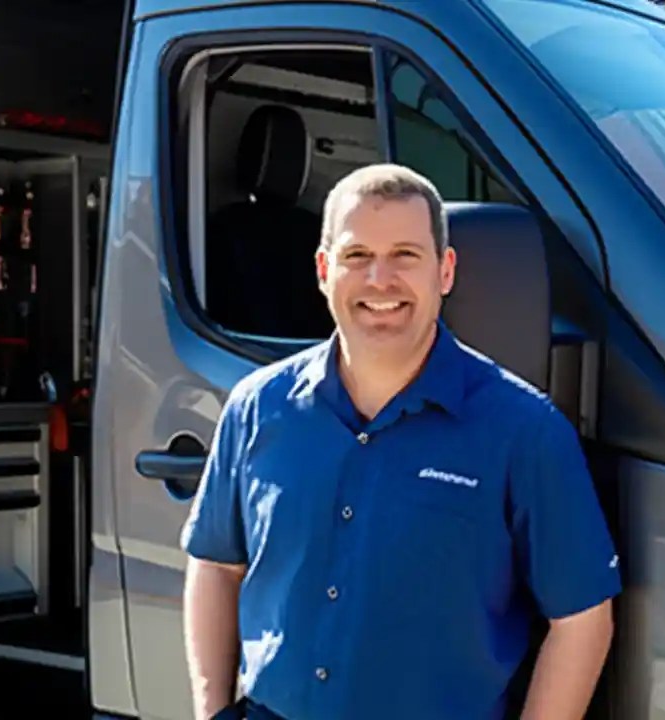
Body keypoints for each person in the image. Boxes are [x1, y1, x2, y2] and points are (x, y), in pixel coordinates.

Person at [180, 163, 621, 720]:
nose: (379, 280)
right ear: (324, 270)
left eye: (405, 255)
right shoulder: (257, 408)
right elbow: (217, 567)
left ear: (445, 271)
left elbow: (582, 621)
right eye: (357, 255)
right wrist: (212, 710)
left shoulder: (524, 430)